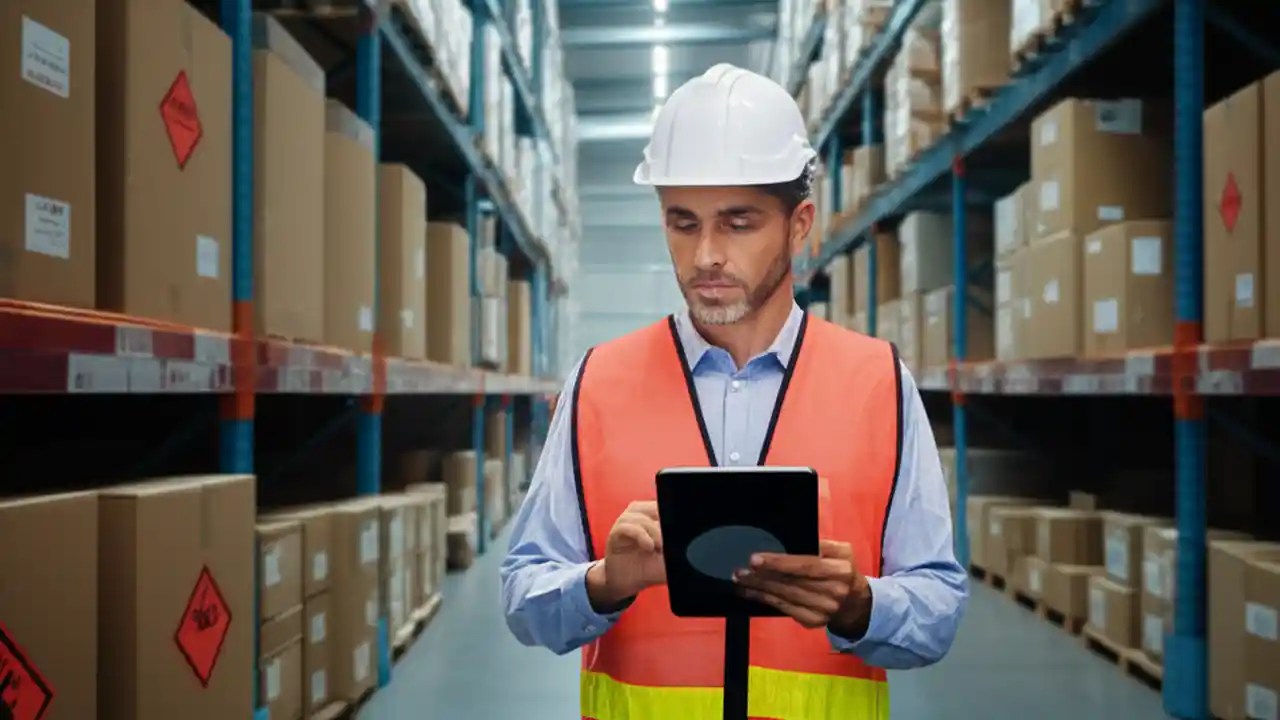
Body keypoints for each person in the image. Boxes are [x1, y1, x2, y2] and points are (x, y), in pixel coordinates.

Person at [501, 63, 968, 718]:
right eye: (683, 222)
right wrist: (603, 583)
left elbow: (938, 609)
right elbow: (524, 596)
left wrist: (861, 605)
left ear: (799, 224)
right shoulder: (598, 382)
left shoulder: (877, 382)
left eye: (738, 223)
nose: (705, 256)